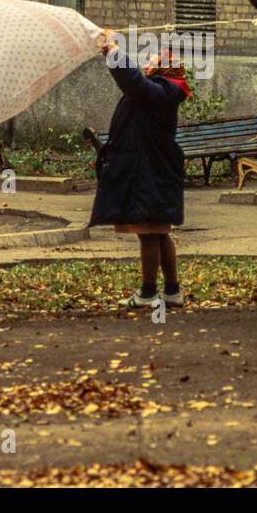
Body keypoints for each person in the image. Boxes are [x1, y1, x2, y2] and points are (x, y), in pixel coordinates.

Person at [89, 29, 190, 308]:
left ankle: (148, 293)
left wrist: (113, 52)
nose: (146, 64)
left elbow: (133, 82)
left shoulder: (159, 91)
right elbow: (134, 80)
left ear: (163, 70)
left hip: (150, 171)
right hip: (155, 170)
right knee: (159, 230)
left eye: (152, 61)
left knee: (148, 230)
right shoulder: (162, 91)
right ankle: (172, 291)